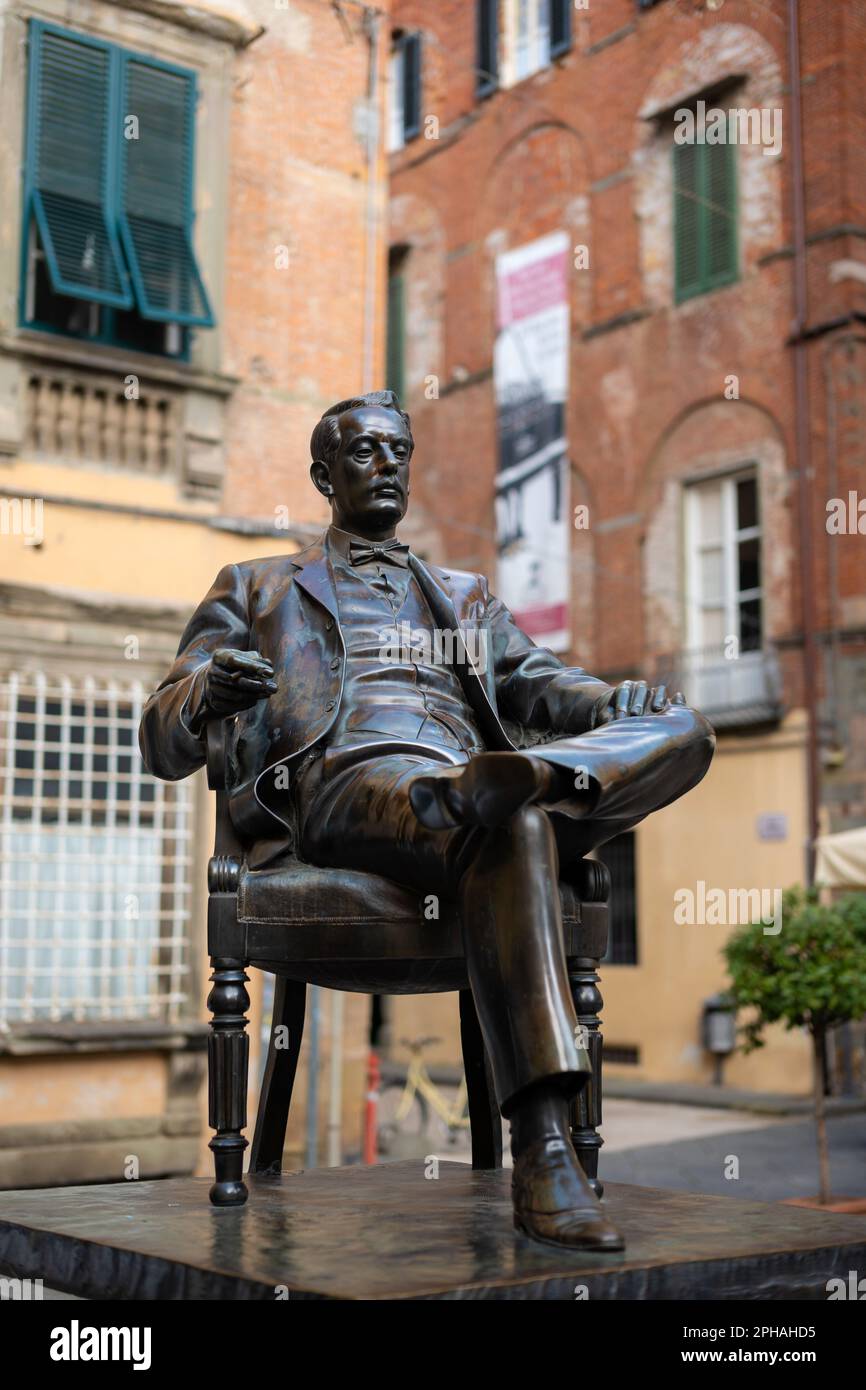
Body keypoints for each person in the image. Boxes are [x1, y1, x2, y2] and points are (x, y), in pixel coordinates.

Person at [140, 391, 715, 1251]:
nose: (388, 465)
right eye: (365, 452)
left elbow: (545, 686)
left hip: (467, 784)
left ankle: (535, 783)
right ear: (322, 475)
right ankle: (547, 1155)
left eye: (399, 451)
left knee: (681, 731)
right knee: (508, 815)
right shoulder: (258, 587)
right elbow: (159, 734)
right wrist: (205, 693)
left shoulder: (463, 596)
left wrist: (615, 701)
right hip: (348, 781)